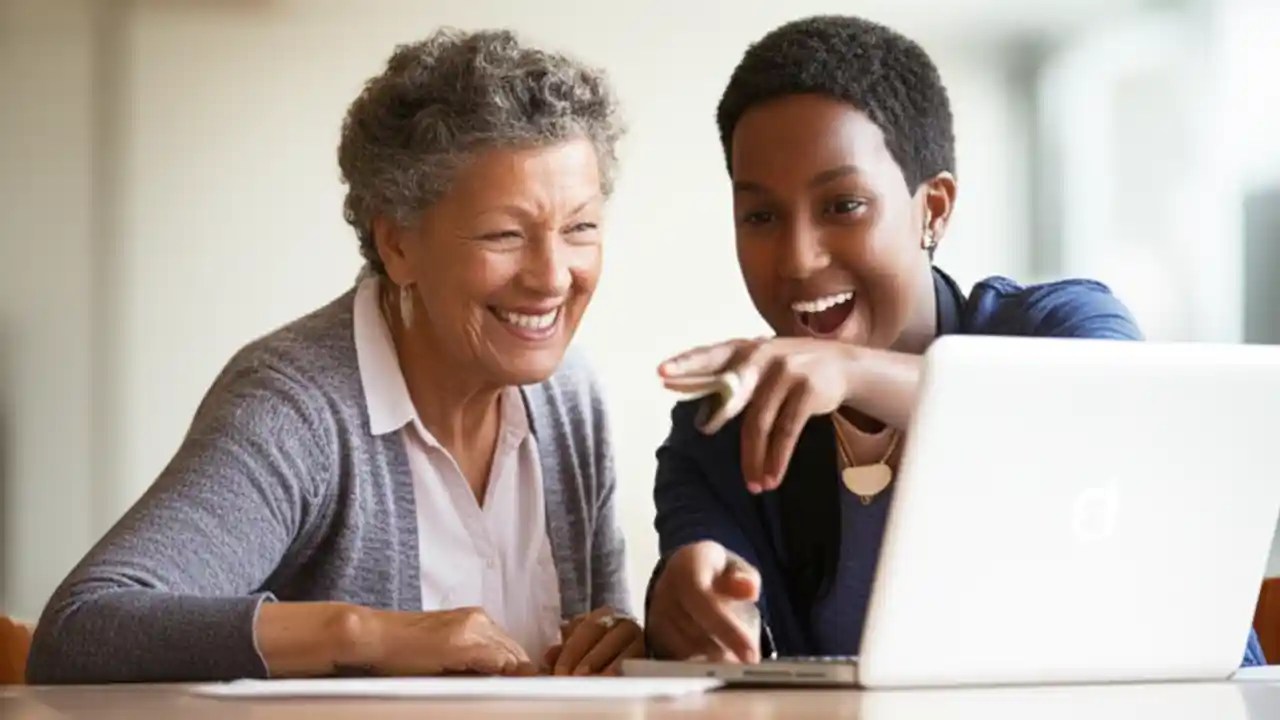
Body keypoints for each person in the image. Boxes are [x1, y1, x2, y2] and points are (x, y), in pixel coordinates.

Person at [644, 14, 1267, 668]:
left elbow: (1103, 422)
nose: (797, 258)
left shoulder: (1066, 328)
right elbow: (708, 607)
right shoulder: (718, 438)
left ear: (933, 208)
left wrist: (854, 373)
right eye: (761, 216)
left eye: (843, 205)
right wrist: (683, 609)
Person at [27, 28, 642, 684]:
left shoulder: (570, 399)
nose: (551, 277)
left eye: (580, 228)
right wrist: (360, 633)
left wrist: (621, 641)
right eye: (505, 234)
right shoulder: (298, 406)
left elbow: (605, 659)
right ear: (398, 245)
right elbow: (80, 632)